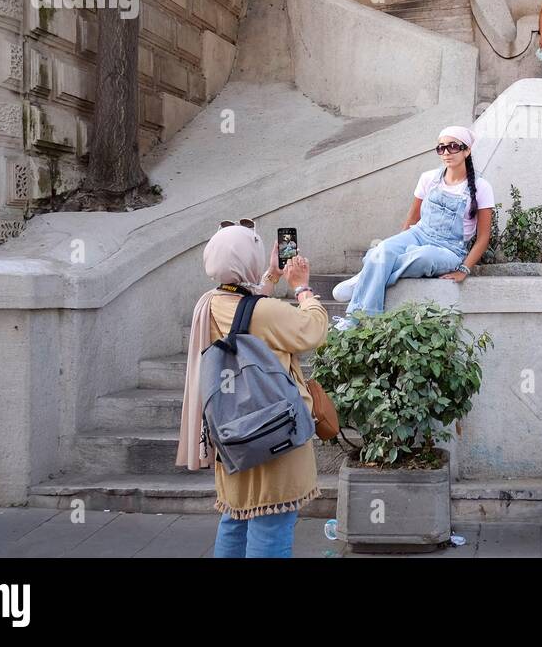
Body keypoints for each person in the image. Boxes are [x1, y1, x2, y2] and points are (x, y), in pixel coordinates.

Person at [177, 220, 328, 558]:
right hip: (275, 431)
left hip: (232, 433)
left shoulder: (209, 303)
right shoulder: (266, 312)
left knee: (237, 516)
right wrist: (302, 288)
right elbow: (313, 331)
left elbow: (247, 309)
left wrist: (271, 278)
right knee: (271, 519)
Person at [332, 126, 494, 323]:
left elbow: (484, 236)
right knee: (383, 249)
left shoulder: (481, 187)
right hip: (418, 234)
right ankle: (355, 320)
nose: (446, 152)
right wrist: (393, 246)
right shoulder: (428, 178)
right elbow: (412, 219)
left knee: (422, 257)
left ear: (467, 150)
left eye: (453, 147)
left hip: (449, 249)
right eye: (441, 148)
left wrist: (464, 270)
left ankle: (367, 275)